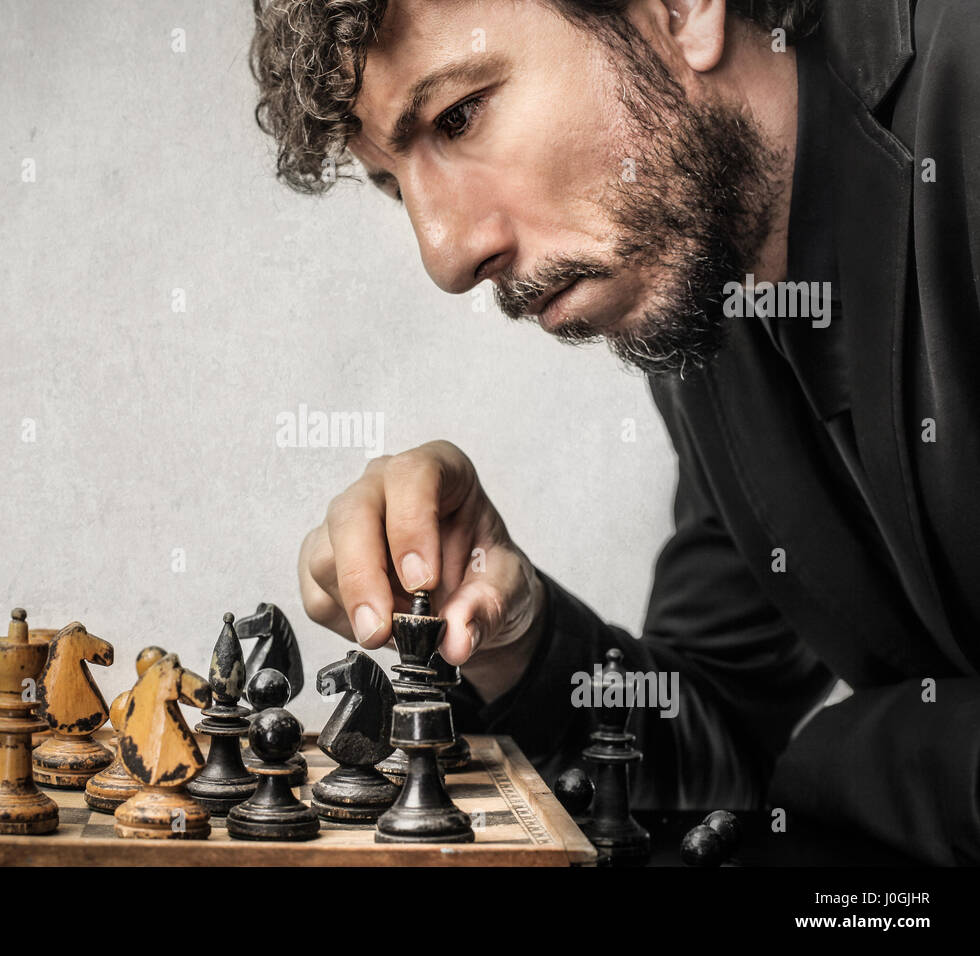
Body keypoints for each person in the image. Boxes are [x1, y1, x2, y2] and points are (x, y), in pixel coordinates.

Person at [248, 0, 980, 865]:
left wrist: (850, 763)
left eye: (459, 114)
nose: (443, 255)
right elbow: (716, 755)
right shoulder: (711, 272)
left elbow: (812, 779)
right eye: (390, 181)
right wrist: (518, 643)